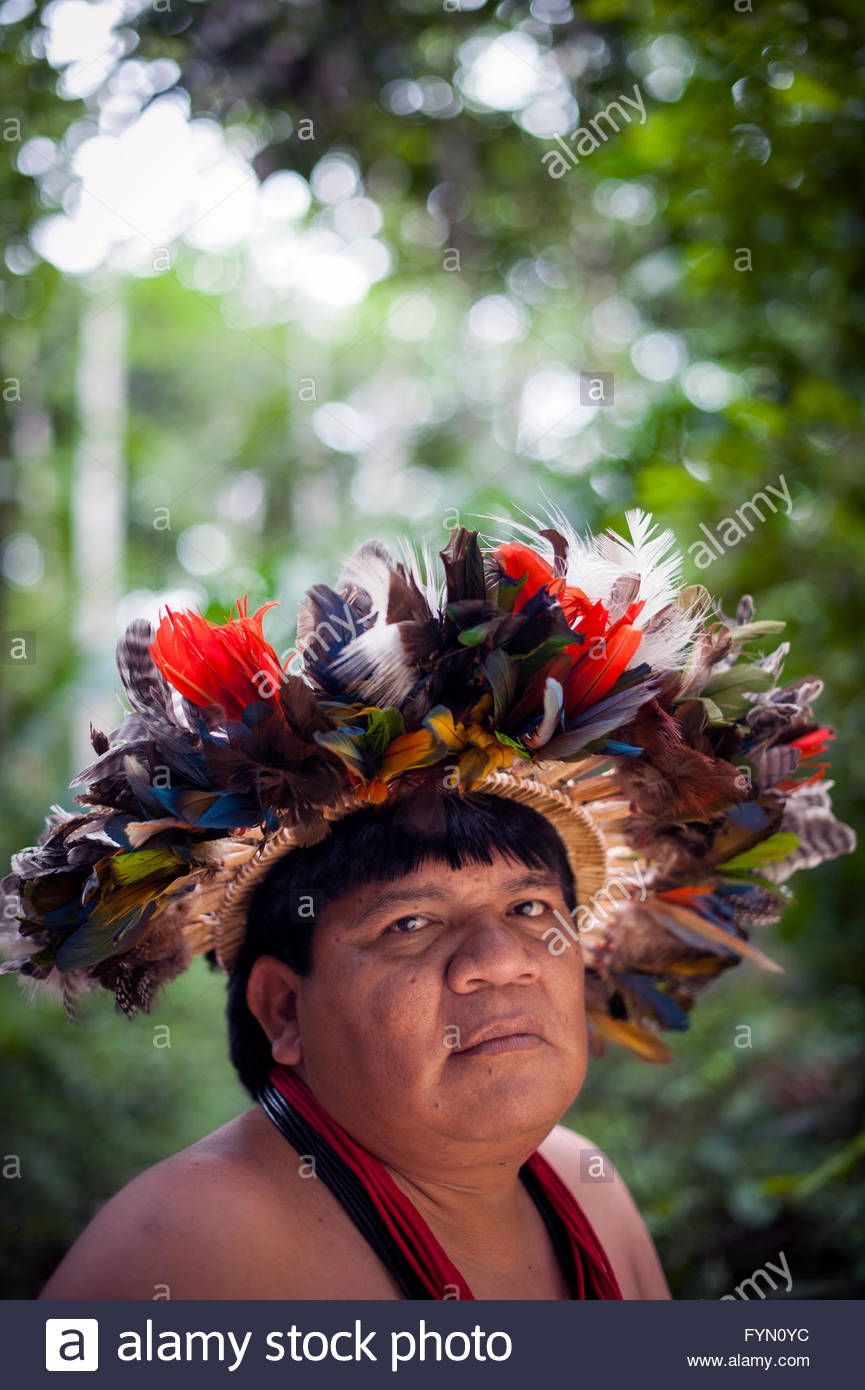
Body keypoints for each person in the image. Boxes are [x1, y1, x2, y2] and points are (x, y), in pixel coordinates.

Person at [2, 506, 854, 1301]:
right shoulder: (192, 1248)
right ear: (284, 1008)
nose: (499, 962)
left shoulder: (584, 1186)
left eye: (528, 910)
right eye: (409, 923)